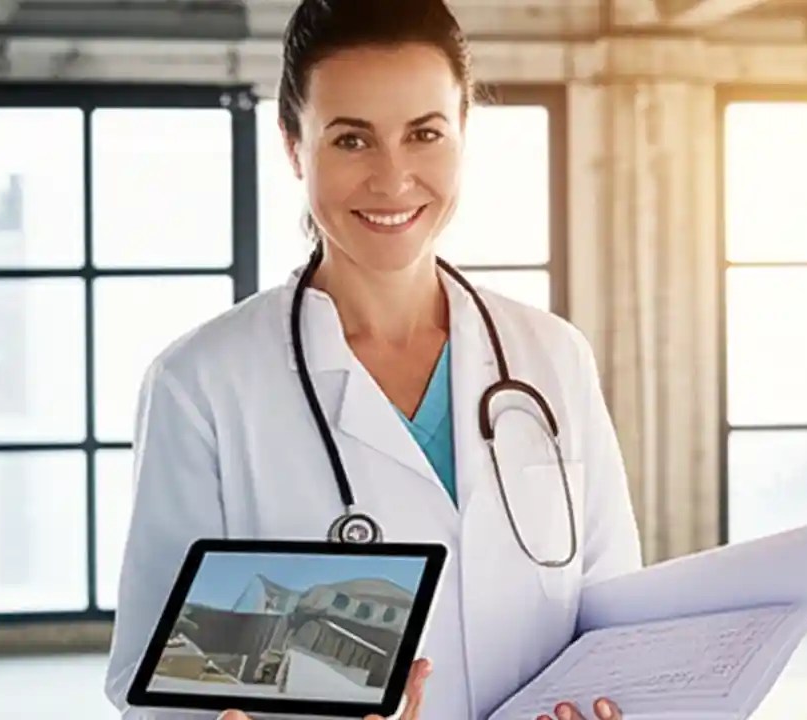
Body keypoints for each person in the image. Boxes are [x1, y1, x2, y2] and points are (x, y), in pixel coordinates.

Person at [103, 0, 643, 718]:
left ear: (462, 138)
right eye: (352, 141)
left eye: (424, 134)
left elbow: (621, 623)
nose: (393, 180)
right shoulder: (203, 384)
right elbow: (154, 679)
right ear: (294, 146)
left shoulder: (551, 358)